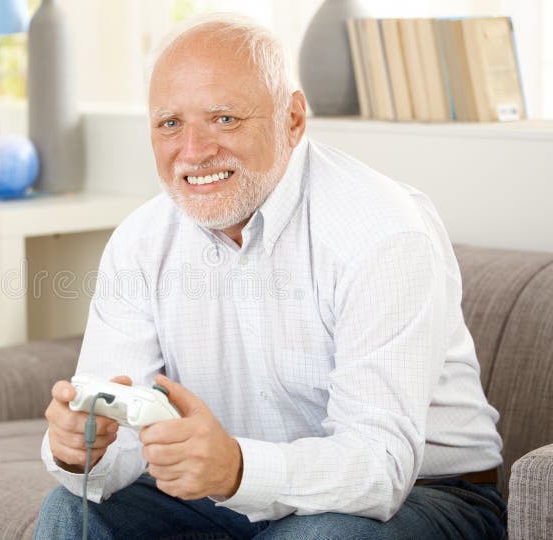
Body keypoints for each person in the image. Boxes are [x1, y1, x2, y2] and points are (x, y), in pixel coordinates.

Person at [34, 12, 506, 540]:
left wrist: (237, 468)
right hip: (220, 491)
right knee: (68, 511)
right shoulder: (140, 243)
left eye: (225, 119)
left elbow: (381, 467)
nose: (193, 151)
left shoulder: (383, 232)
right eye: (170, 123)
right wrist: (80, 449)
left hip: (427, 493)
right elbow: (119, 445)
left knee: (317, 537)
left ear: (293, 119)